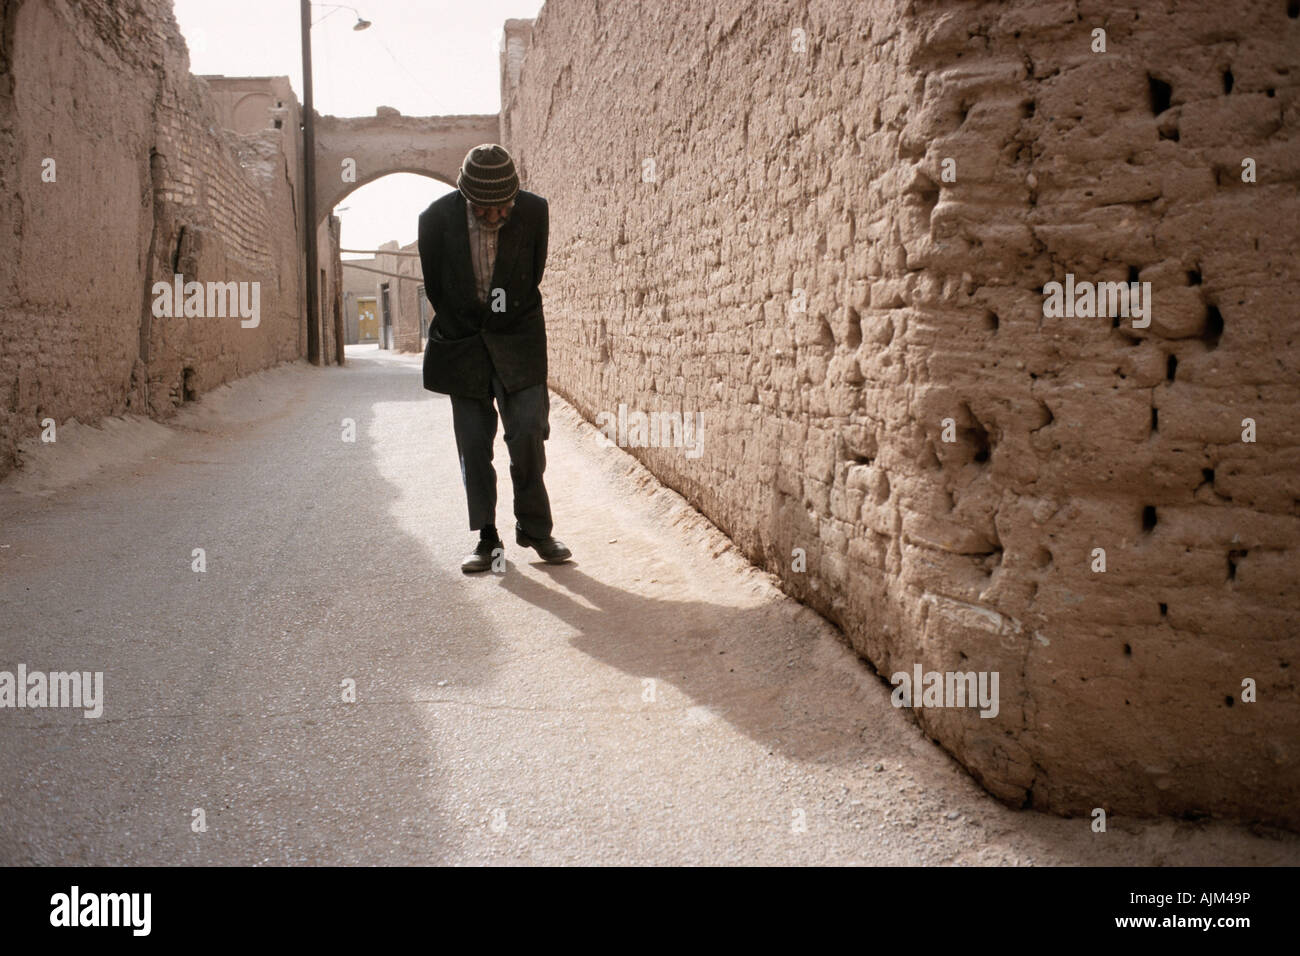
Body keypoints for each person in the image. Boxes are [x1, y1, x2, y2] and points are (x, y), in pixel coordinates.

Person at [418, 144, 572, 573]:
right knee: (473, 443)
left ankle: (535, 529)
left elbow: (531, 274)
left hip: (518, 338)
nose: (496, 215)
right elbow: (437, 287)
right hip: (464, 343)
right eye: (484, 209)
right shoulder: (435, 219)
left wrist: (501, 314)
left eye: (503, 206)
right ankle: (487, 538)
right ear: (466, 197)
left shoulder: (534, 211)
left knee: (528, 432)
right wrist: (469, 323)